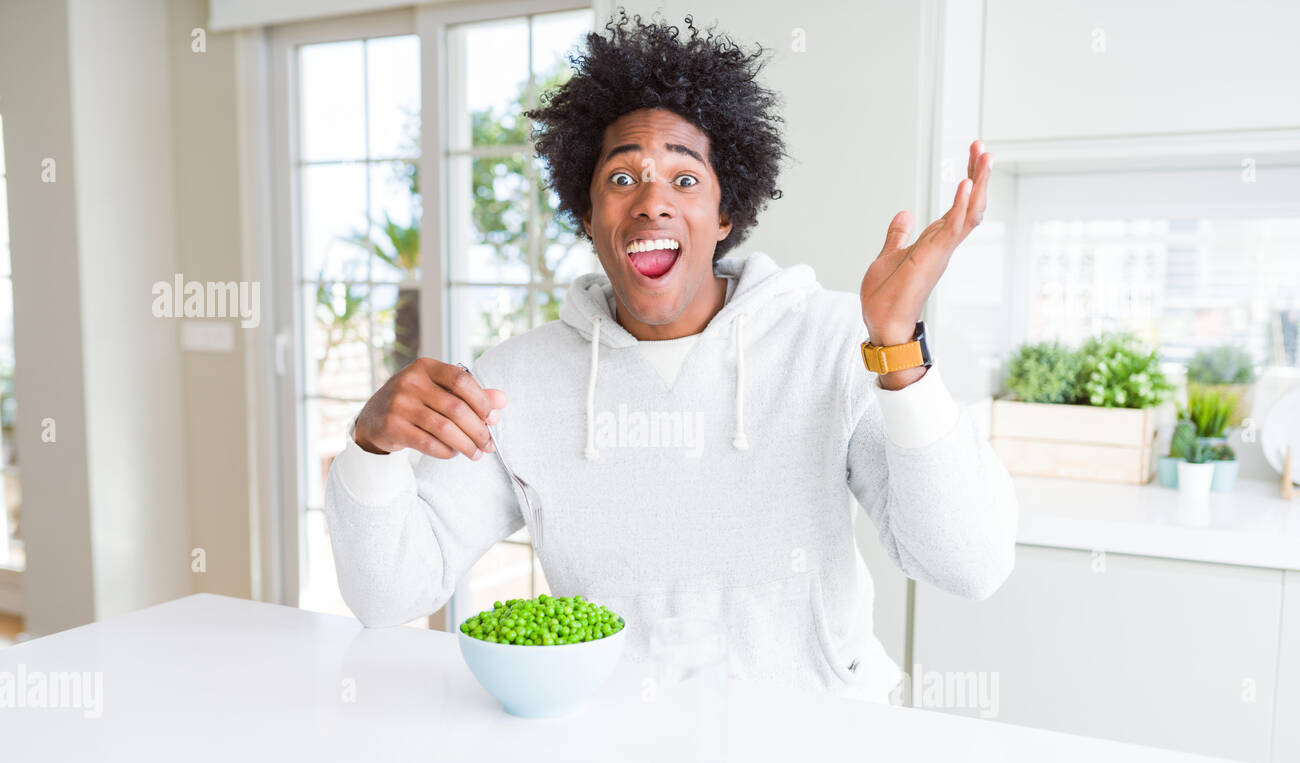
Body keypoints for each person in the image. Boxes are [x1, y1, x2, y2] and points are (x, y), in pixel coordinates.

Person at [324, 10, 1018, 703]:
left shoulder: (837, 341)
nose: (653, 201)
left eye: (685, 180)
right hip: (613, 753)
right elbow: (389, 594)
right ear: (588, 215)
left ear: (725, 215)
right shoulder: (515, 382)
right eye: (623, 179)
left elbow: (972, 562)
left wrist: (899, 346)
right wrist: (371, 447)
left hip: (819, 744)